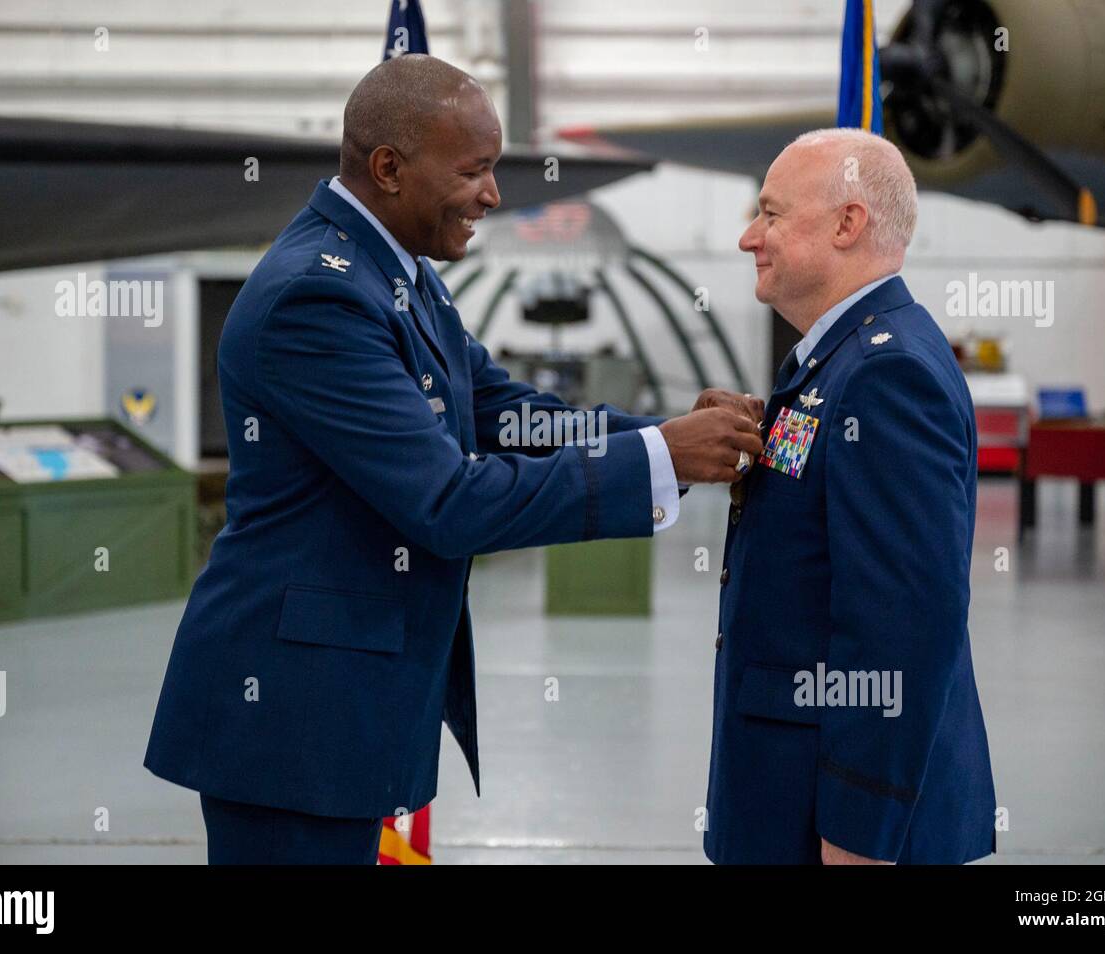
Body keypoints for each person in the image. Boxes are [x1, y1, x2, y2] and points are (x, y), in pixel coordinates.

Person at [143, 53, 763, 864]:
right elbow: (447, 502)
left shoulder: (398, 272)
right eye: (474, 170)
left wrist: (666, 436)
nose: (494, 195)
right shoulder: (317, 296)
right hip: (293, 721)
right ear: (390, 168)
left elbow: (507, 417)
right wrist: (657, 459)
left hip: (347, 702)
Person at [703, 128, 996, 864]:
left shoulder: (885, 377)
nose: (748, 238)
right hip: (792, 800)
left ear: (848, 224)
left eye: (770, 214)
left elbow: (902, 625)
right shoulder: (835, 362)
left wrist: (859, 832)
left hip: (838, 826)